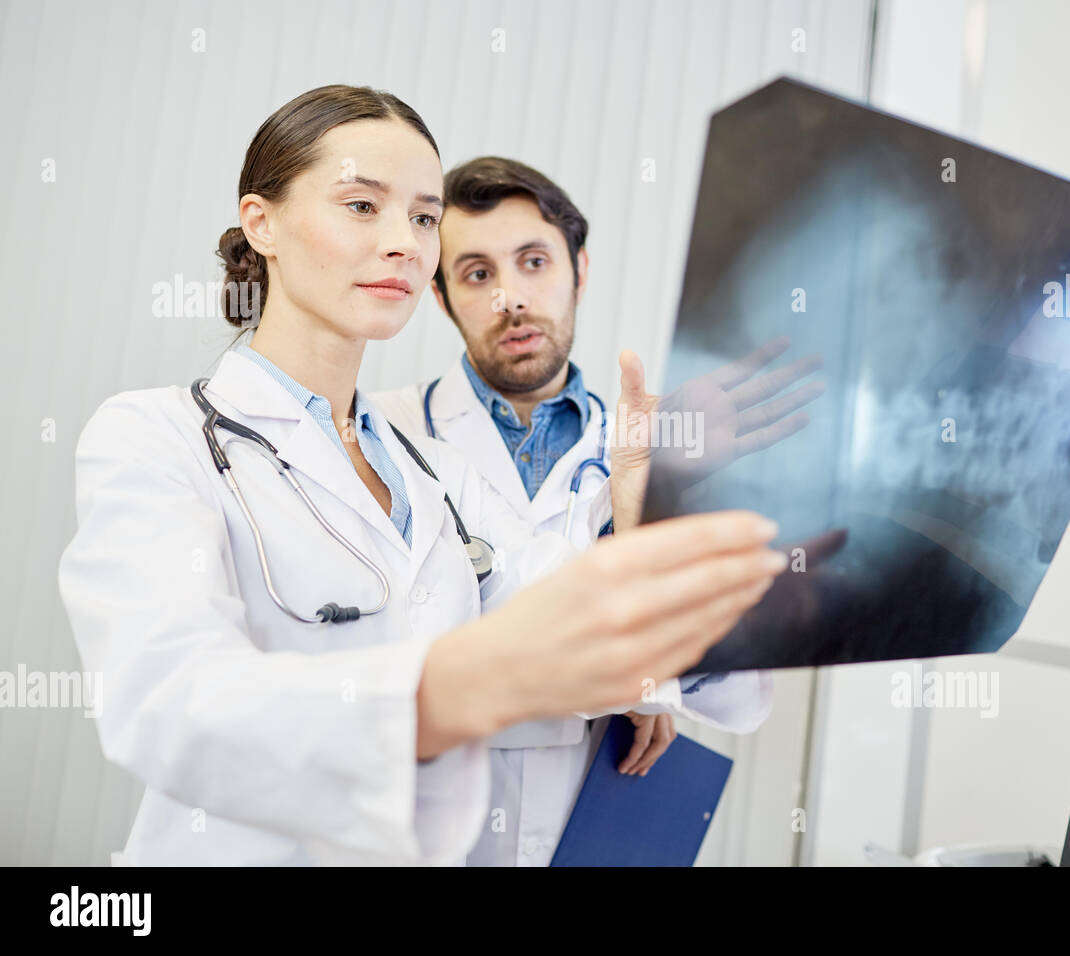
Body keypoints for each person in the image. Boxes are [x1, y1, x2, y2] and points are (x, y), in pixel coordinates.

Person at [55, 85, 788, 866]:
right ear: (261, 223)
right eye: (363, 206)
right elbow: (168, 707)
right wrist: (445, 689)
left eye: (423, 216)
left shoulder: (432, 475)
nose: (404, 241)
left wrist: (643, 500)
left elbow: (577, 631)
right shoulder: (155, 437)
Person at [371, 157, 774, 866]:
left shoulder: (652, 450)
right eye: (477, 274)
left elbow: (745, 697)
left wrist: (657, 674)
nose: (511, 298)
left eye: (533, 262)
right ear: (441, 299)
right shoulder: (385, 434)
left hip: (592, 832)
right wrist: (625, 667)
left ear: (579, 271)